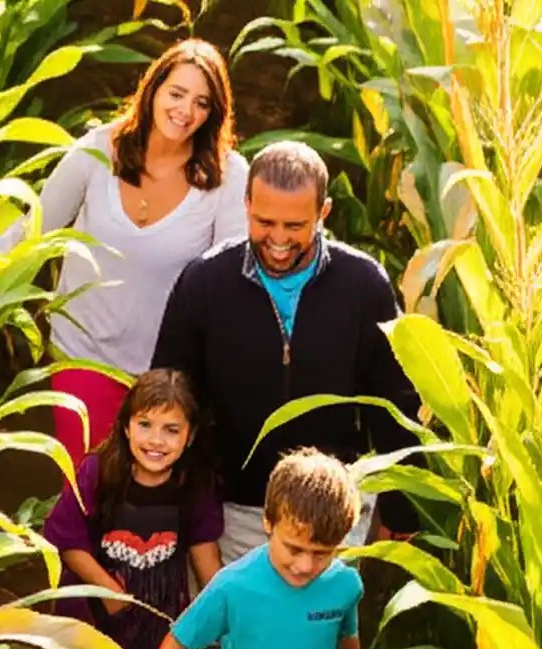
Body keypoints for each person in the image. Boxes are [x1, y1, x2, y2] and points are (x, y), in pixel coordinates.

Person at [151, 140, 421, 564]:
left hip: (334, 508)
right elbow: (171, 391)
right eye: (264, 222)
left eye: (295, 226)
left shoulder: (364, 285)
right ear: (246, 204)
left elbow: (393, 400)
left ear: (324, 213)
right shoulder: (205, 282)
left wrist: (402, 504)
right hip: (236, 511)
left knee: (320, 630)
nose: (277, 240)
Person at [0, 38, 248, 469]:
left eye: (202, 103)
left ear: (214, 113)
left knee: (146, 508)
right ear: (153, 90)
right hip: (85, 356)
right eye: (177, 94)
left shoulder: (226, 176)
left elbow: (230, 280)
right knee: (86, 491)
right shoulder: (97, 150)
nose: (186, 112)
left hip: (166, 378)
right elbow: (34, 230)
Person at [41, 368, 224, 649]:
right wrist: (110, 592)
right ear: (126, 426)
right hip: (87, 617)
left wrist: (229, 614)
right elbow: (67, 540)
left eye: (171, 430)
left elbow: (206, 558)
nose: (156, 441)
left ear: (190, 435)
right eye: (145, 425)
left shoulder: (195, 486)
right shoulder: (97, 471)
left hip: (157, 620)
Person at [142, 448, 369, 649]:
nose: (305, 566)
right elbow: (178, 642)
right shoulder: (233, 585)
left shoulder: (345, 585)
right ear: (268, 522)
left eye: (322, 553)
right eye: (294, 549)